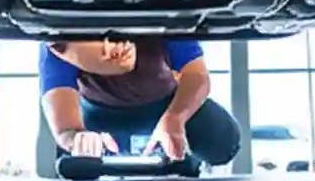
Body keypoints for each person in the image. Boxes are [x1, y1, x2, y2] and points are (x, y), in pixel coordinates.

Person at [39, 38, 241, 167]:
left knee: (223, 142)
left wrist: (175, 118)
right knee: (72, 161)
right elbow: (65, 127)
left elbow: (196, 74)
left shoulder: (167, 15)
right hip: (97, 116)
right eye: (100, 34)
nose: (115, 42)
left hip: (166, 105)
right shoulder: (56, 47)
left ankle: (183, 152)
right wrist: (77, 139)